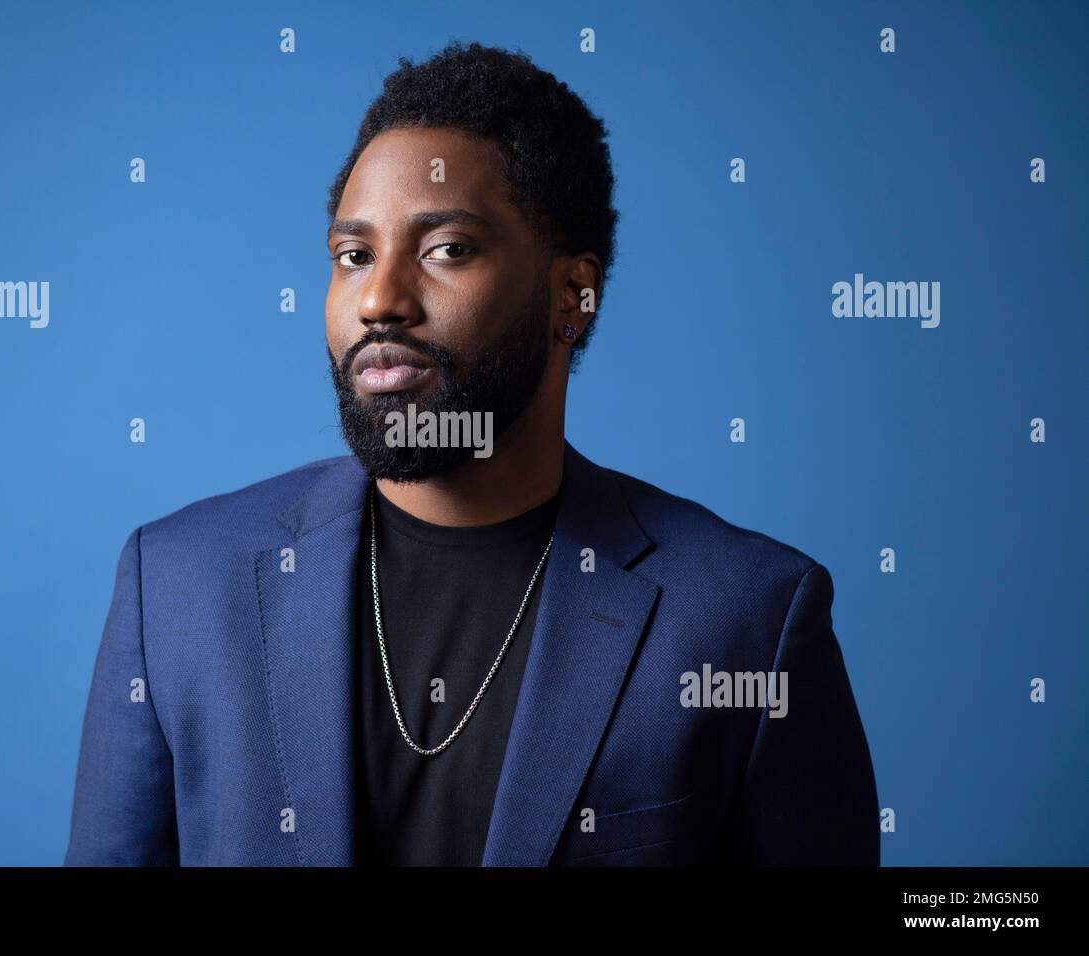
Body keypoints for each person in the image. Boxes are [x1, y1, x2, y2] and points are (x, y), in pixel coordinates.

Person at [64, 41, 878, 867]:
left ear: (573, 295)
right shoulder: (174, 585)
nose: (380, 300)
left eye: (446, 248)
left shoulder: (745, 619)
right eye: (353, 257)